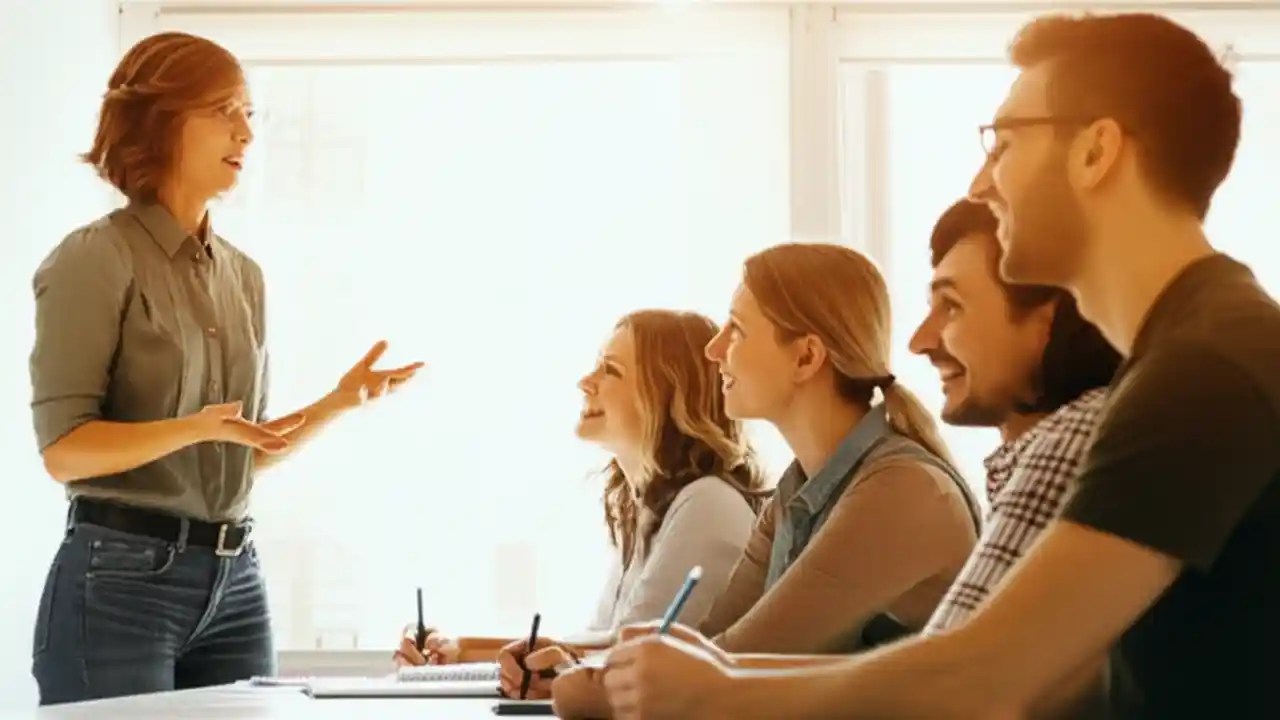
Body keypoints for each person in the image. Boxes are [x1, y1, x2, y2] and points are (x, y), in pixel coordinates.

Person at [597, 12, 1280, 720]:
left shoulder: (1203, 373)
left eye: (1004, 143)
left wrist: (718, 692)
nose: (982, 182)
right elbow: (1065, 677)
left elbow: (987, 675)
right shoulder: (1191, 355)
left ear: (1095, 151)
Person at [29, 32, 422, 705]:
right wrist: (193, 429)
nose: (246, 131)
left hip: (236, 580)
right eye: (223, 110)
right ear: (161, 121)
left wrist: (336, 402)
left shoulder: (246, 278)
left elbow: (241, 453)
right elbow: (65, 454)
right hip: (119, 581)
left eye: (249, 112)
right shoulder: (93, 260)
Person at [525, 242, 982, 716]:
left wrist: (585, 682)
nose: (714, 349)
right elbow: (710, 647)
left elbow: (732, 669)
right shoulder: (792, 496)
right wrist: (579, 666)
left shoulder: (902, 491)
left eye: (737, 330)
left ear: (805, 358)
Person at [393, 310, 766, 667]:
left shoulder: (708, 504)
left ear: (668, 397)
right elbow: (598, 642)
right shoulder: (653, 510)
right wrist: (457, 649)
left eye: (610, 370)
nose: (586, 382)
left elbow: (631, 653)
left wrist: (466, 649)